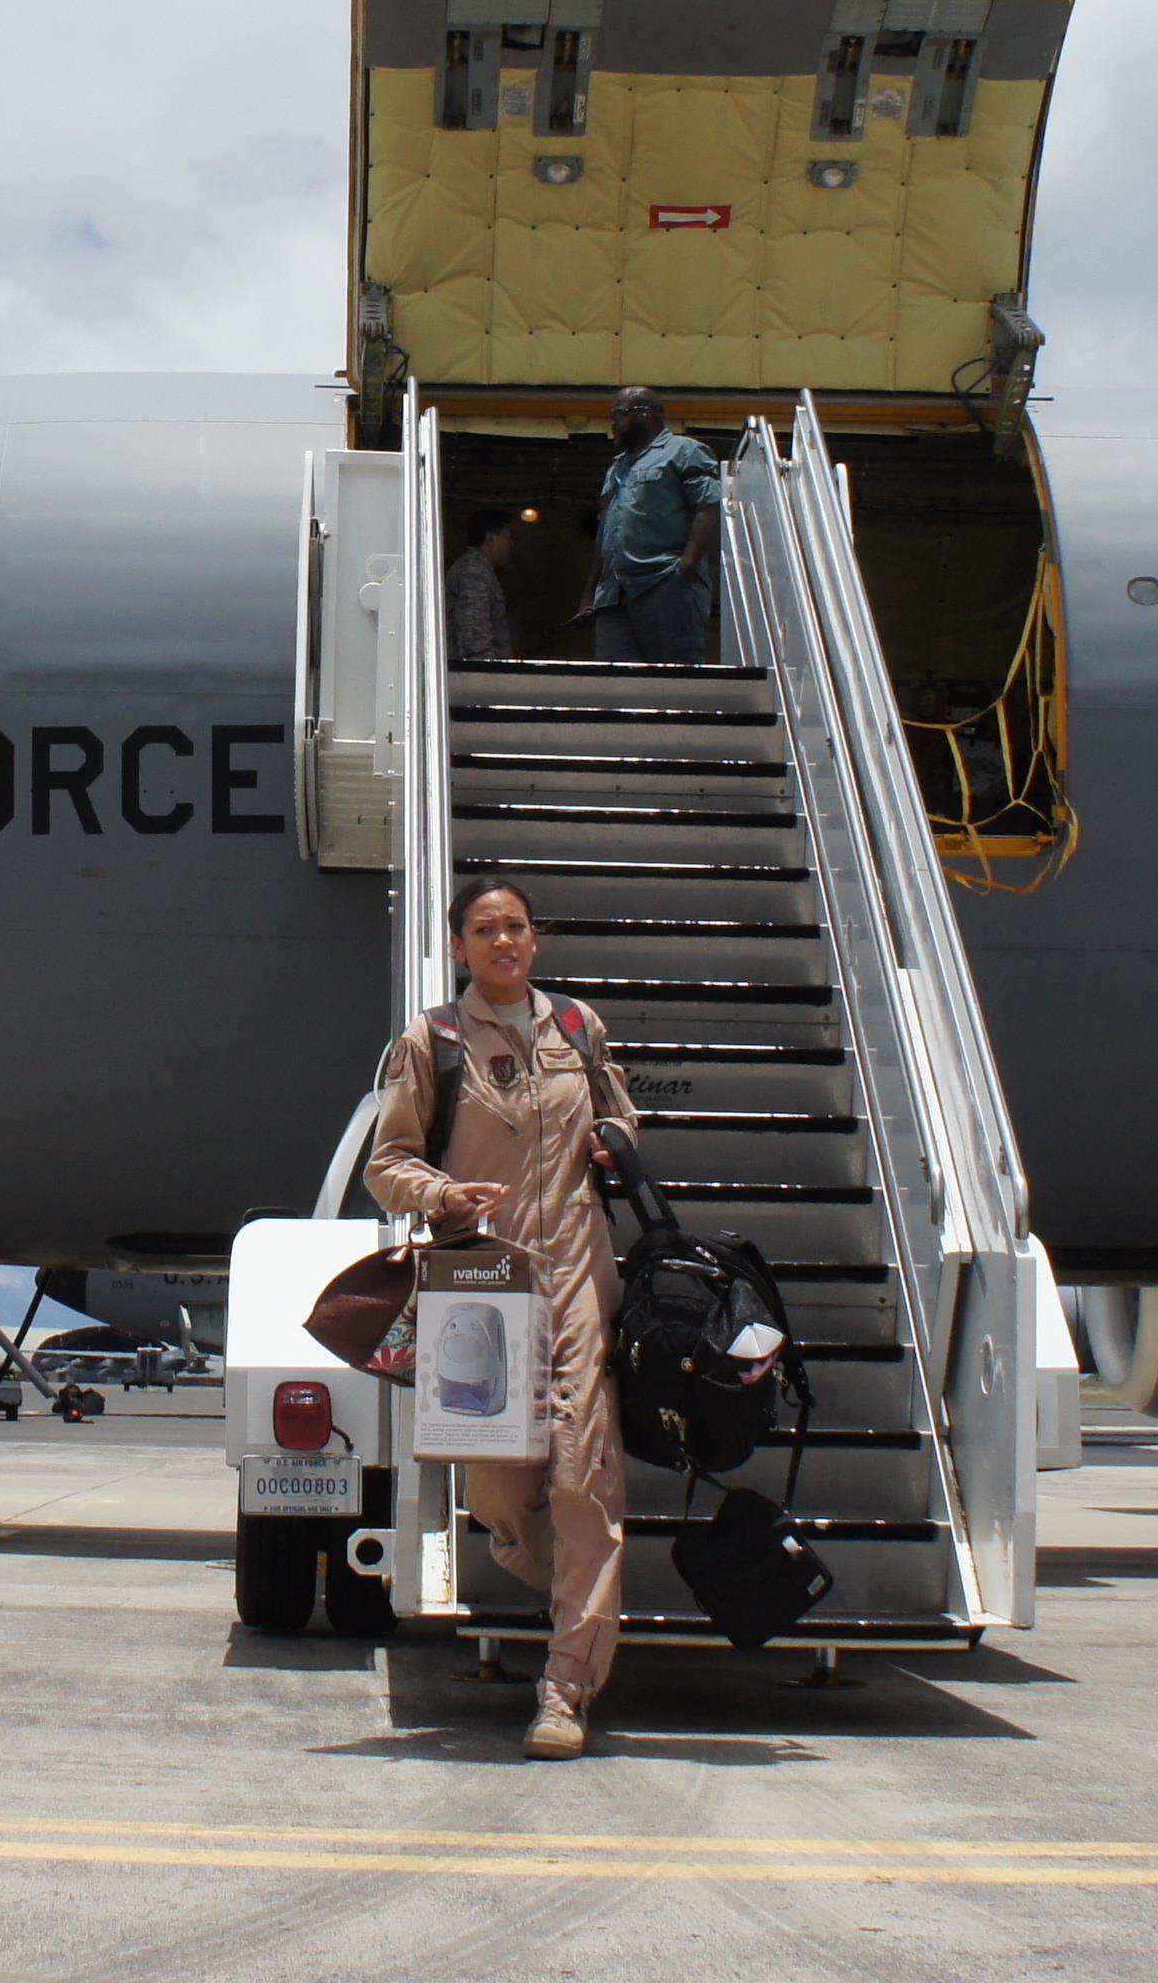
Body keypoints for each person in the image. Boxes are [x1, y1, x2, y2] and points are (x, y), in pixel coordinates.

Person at [361, 873, 639, 1761]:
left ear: (535, 940)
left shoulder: (577, 1029)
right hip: (481, 1284)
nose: (503, 942)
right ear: (460, 948)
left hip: (575, 1283)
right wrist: (445, 1193)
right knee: (493, 1486)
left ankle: (566, 1687)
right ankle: (567, 1589)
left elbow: (623, 1122)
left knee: (579, 1478)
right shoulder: (432, 1041)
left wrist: (616, 1140)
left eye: (516, 927)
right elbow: (388, 1163)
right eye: (485, 929)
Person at [580, 387, 723, 666]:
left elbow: (708, 507)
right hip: (614, 593)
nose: (613, 424)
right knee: (613, 684)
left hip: (663, 583)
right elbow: (605, 533)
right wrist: (589, 595)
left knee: (672, 681)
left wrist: (685, 568)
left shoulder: (684, 451)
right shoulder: (617, 467)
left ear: (643, 413)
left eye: (619, 415)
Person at [444, 505, 520, 665]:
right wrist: (485, 670)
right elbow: (473, 628)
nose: (511, 544)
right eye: (508, 537)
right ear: (490, 538)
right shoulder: (475, 571)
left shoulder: (478, 568)